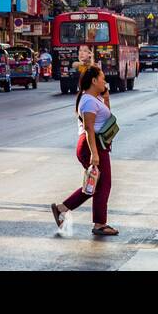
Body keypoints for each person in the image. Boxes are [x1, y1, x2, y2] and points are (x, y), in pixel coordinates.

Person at [51, 65, 119, 236]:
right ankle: (99, 224)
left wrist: (107, 98)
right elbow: (89, 128)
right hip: (92, 145)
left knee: (95, 184)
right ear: (94, 80)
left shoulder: (93, 99)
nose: (105, 81)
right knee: (102, 184)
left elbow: (104, 119)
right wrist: (94, 153)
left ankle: (63, 208)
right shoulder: (88, 100)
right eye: (102, 78)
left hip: (96, 144)